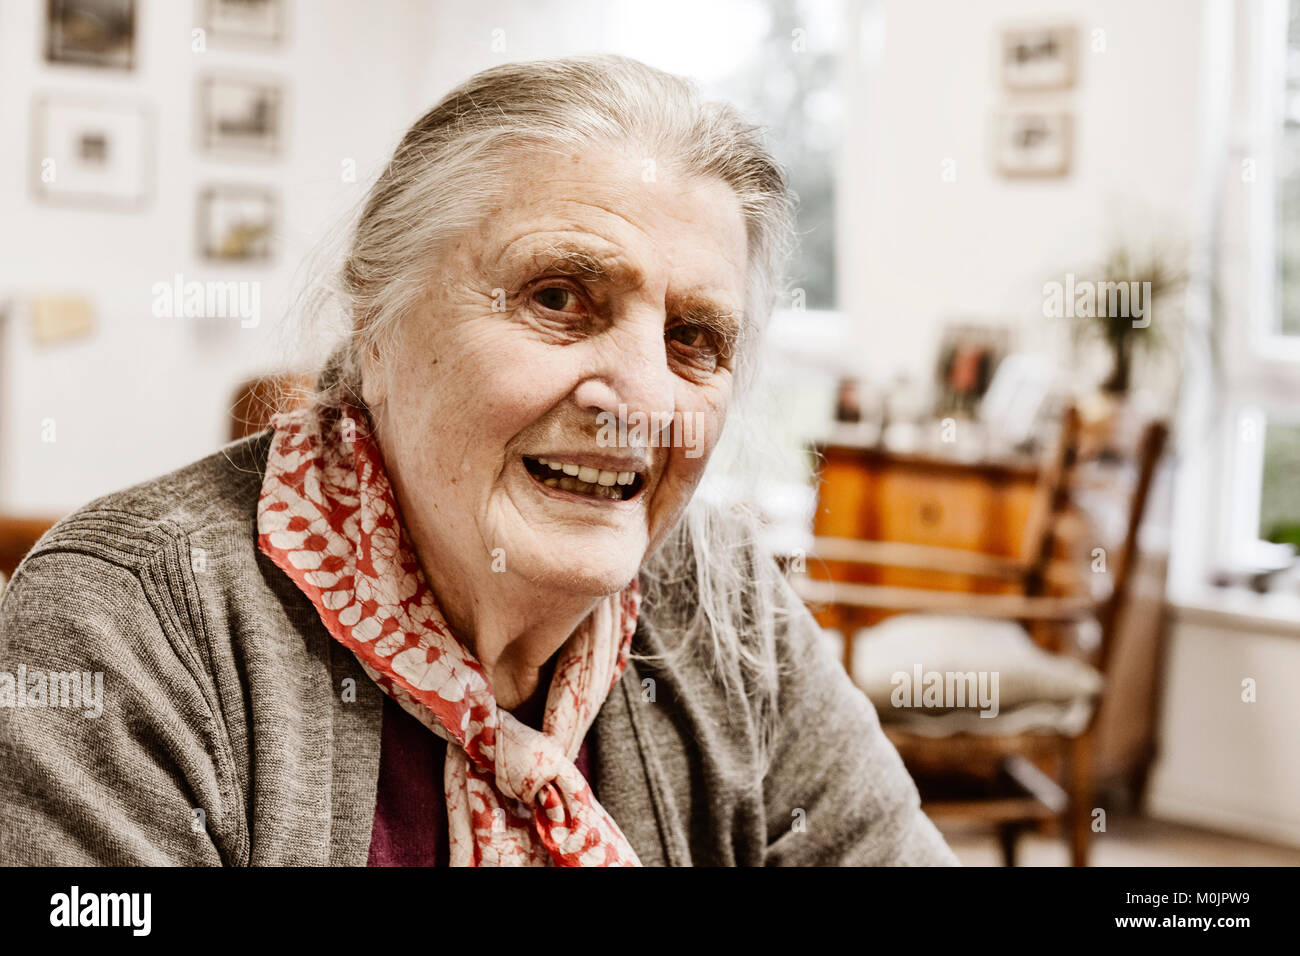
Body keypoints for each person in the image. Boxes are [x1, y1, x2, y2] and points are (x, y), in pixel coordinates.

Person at [0, 55, 957, 867]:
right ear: (376, 324)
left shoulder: (722, 599)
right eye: (558, 297)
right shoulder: (127, 624)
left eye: (695, 338)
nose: (646, 401)